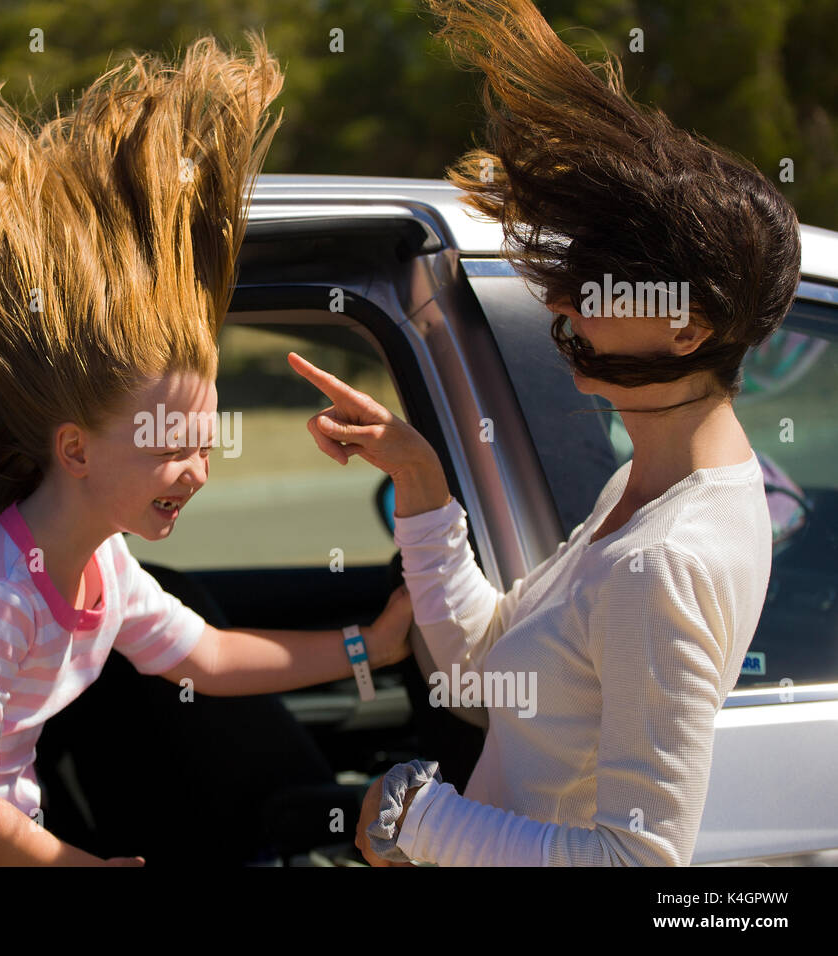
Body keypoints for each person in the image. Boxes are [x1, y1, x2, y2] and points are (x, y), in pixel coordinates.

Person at [0, 32, 415, 867]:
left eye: (201, 445)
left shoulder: (98, 562)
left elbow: (210, 659)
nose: (195, 473)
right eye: (166, 449)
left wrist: (372, 645)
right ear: (74, 451)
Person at [291, 0, 799, 866]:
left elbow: (636, 860)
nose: (563, 303)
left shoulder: (661, 560)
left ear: (688, 327)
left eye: (597, 287)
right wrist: (421, 486)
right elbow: (486, 673)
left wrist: (413, 819)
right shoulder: (658, 488)